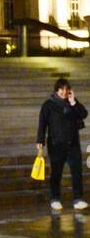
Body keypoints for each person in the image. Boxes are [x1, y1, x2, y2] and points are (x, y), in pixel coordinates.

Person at [37, 77, 88, 213]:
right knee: (56, 172)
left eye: (66, 89)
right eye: (62, 89)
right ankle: (55, 198)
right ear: (56, 90)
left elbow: (84, 114)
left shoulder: (72, 103)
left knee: (77, 171)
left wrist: (73, 102)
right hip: (56, 144)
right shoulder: (48, 105)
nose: (64, 92)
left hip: (73, 144)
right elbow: (42, 124)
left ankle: (78, 198)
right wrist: (40, 141)